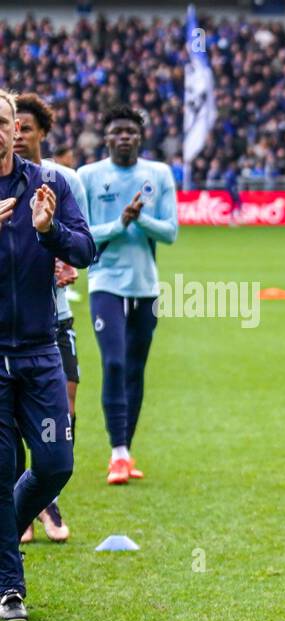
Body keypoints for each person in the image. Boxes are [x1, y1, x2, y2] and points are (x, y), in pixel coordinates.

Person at [0, 89, 93, 621]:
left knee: (55, 464)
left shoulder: (49, 184)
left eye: (4, 120)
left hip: (40, 351)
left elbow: (86, 249)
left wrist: (49, 231)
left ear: (16, 129)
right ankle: (10, 588)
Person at [78, 103, 180, 484]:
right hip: (106, 283)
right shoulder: (88, 176)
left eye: (131, 132)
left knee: (136, 369)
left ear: (140, 137)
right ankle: (118, 451)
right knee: (115, 363)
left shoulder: (158, 173)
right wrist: (119, 224)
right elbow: (83, 231)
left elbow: (170, 232)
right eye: (117, 131)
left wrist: (141, 219)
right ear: (105, 138)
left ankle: (124, 451)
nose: (124, 137)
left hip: (145, 287)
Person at [13, 92, 83, 541]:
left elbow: (81, 237)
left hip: (56, 319)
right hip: (17, 325)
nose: (17, 136)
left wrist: (67, 257)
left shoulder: (62, 179)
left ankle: (44, 499)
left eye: (25, 129)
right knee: (14, 419)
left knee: (64, 412)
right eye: (11, 128)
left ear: (42, 133)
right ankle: (22, 505)